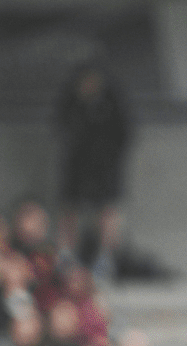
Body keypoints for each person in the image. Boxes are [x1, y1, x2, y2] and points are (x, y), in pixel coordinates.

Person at [54, 65, 132, 262]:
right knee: (69, 208)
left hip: (105, 167)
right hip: (77, 165)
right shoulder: (72, 105)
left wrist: (109, 156)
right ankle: (66, 254)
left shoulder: (112, 105)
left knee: (107, 210)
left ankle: (107, 257)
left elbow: (124, 134)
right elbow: (60, 127)